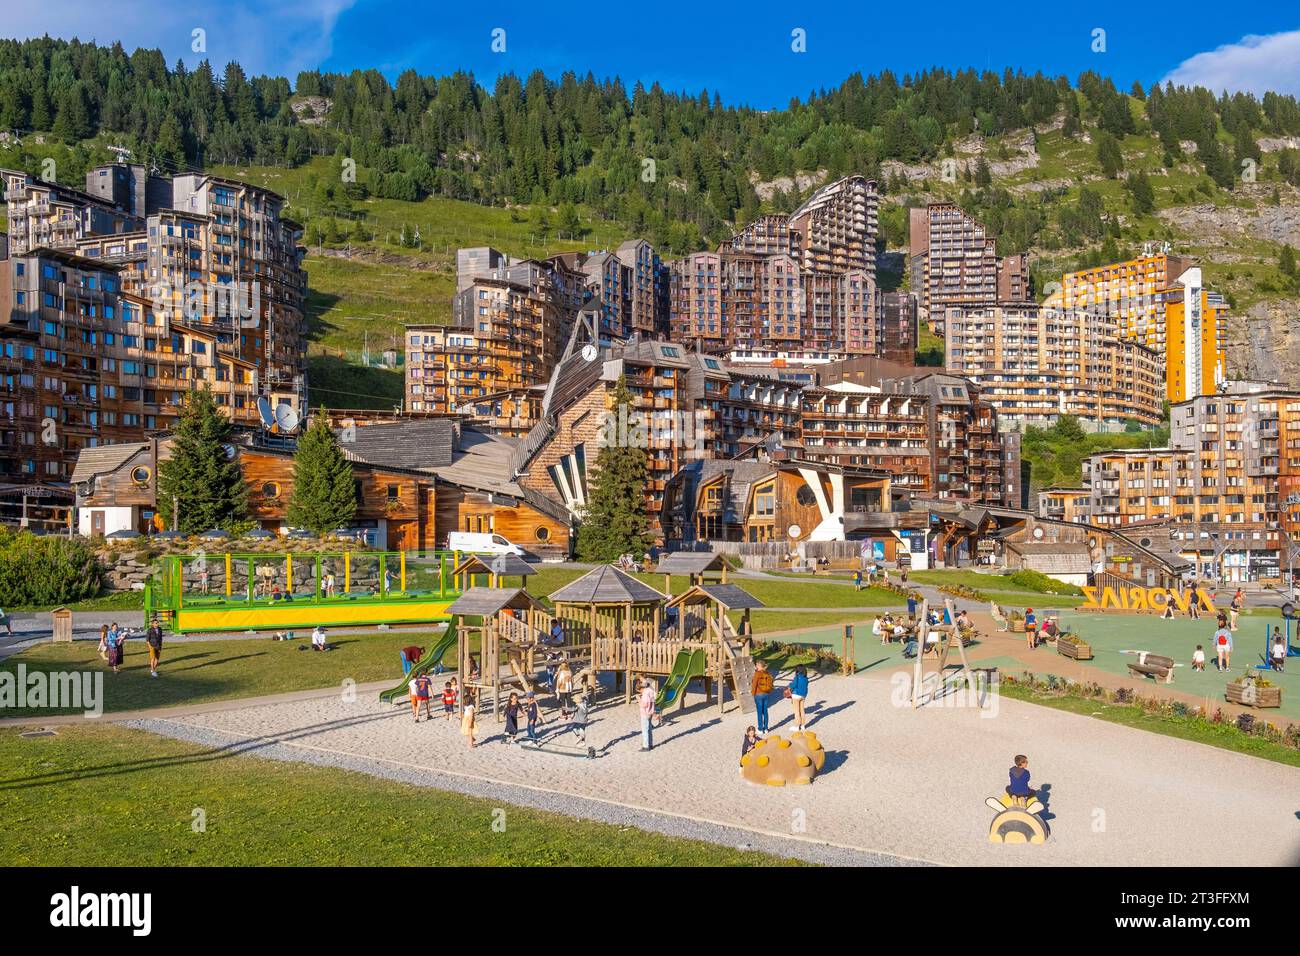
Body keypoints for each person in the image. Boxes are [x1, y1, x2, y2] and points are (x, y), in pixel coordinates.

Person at [751, 660, 774, 735]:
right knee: (765, 711)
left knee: (759, 712)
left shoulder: (757, 673)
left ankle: (760, 729)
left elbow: (754, 684)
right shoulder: (767, 673)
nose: (756, 666)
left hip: (758, 694)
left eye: (756, 665)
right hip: (766, 693)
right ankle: (766, 728)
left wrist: (753, 693)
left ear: (759, 665)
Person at [637, 678, 659, 751]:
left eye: (639, 690)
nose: (640, 692)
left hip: (645, 713)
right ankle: (650, 744)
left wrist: (639, 700)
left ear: (642, 688)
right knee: (649, 729)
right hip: (650, 713)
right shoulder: (651, 691)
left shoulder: (645, 694)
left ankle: (646, 746)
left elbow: (645, 704)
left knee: (645, 730)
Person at [788, 664, 809, 732]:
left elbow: (794, 685)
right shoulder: (806, 678)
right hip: (803, 695)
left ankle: (797, 726)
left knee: (796, 711)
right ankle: (803, 725)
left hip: (796, 695)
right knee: (802, 710)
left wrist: (789, 685)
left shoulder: (797, 677)